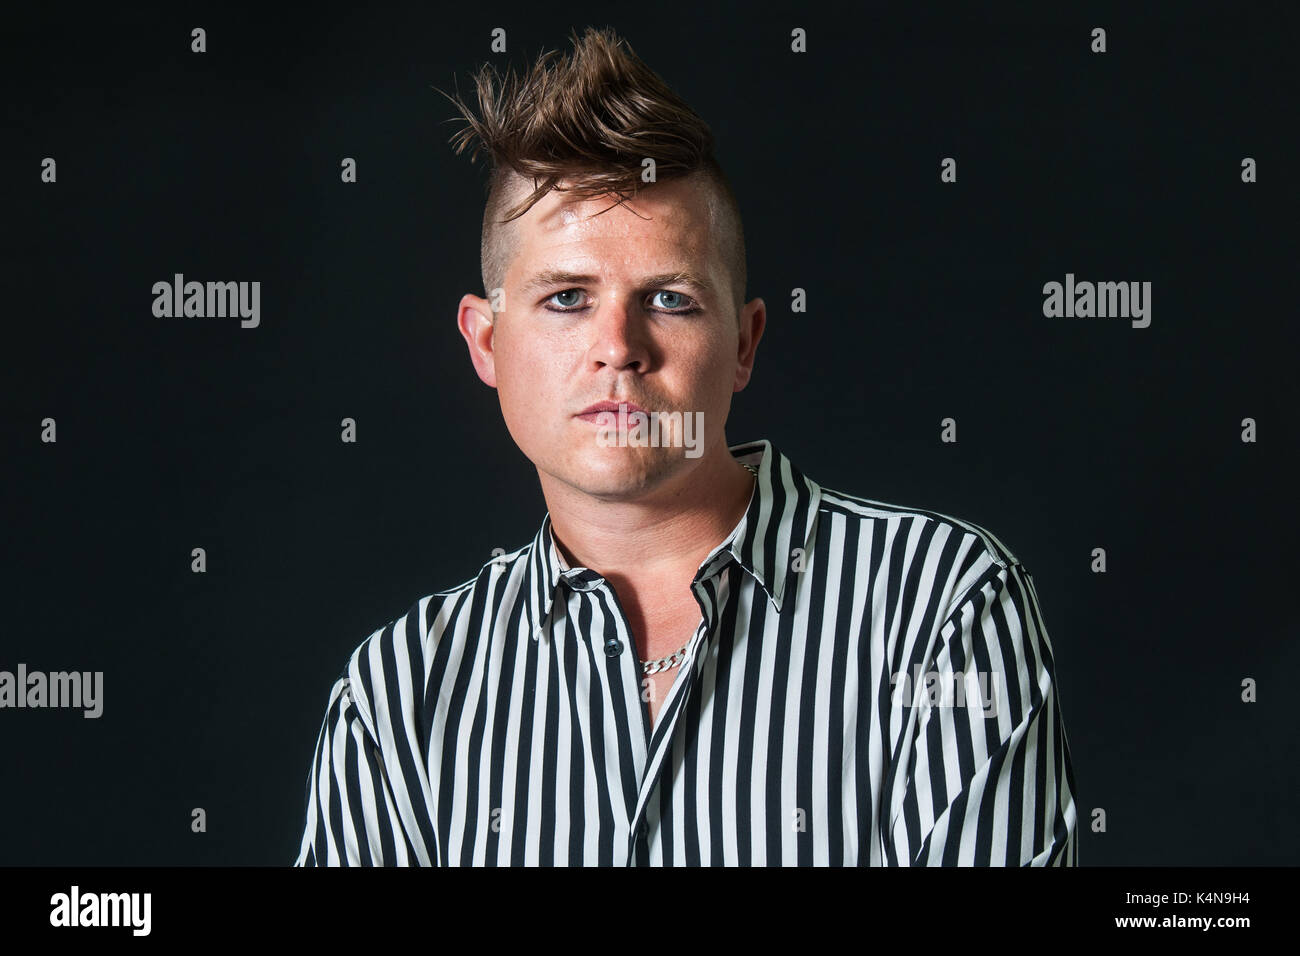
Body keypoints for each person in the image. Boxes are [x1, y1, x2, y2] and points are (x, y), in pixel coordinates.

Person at [293, 25, 1077, 866]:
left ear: (745, 343)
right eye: (565, 298)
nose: (618, 346)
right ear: (486, 343)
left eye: (668, 298)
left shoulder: (940, 609)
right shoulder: (400, 694)